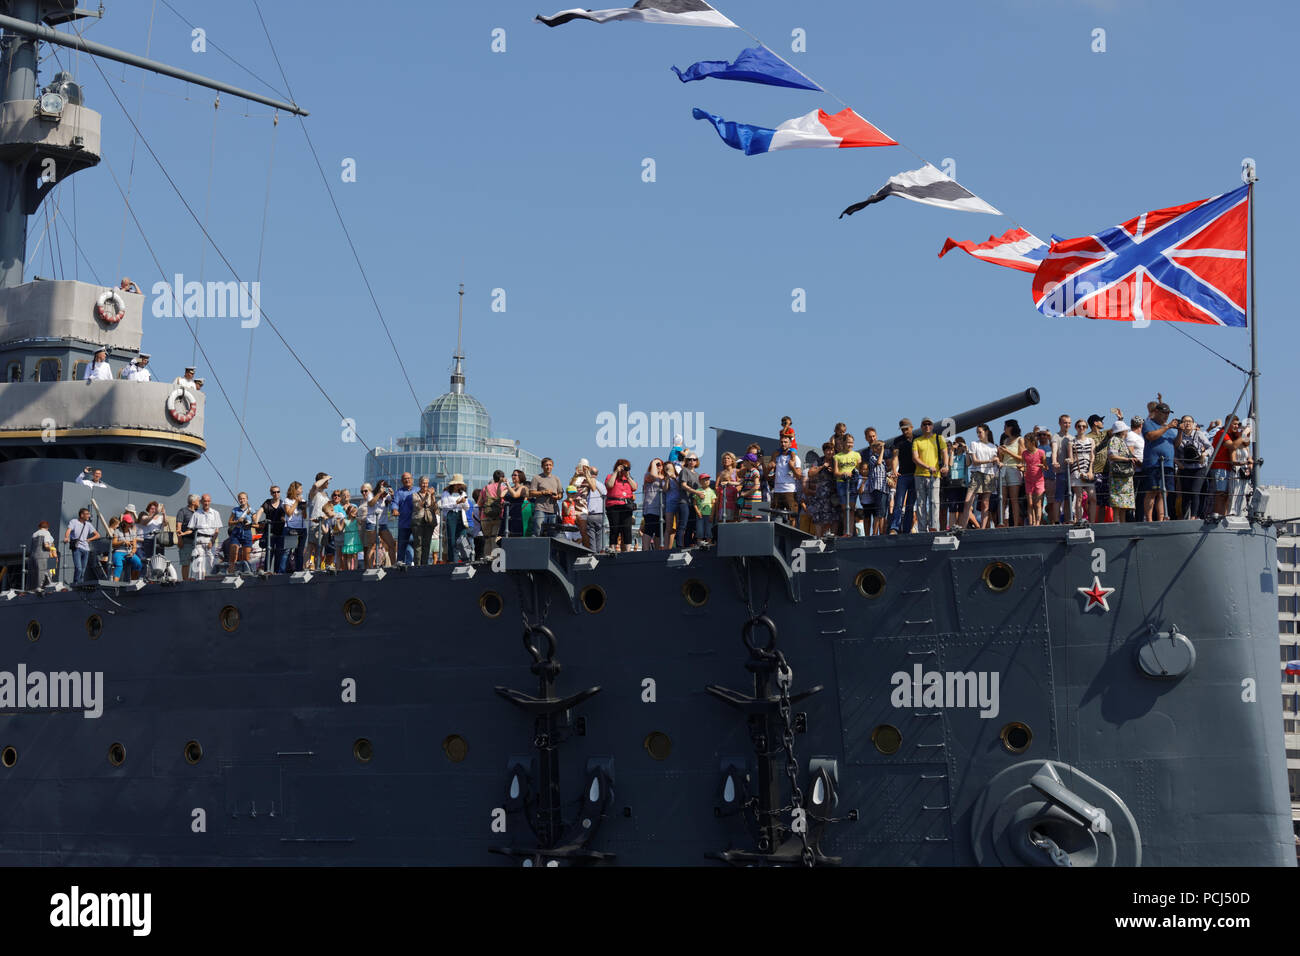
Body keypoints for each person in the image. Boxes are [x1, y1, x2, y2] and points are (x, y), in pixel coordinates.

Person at [912, 418, 949, 533]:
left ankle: (934, 527)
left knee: (934, 502)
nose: (927, 426)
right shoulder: (917, 441)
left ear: (932, 426)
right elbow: (915, 458)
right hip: (920, 475)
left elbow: (945, 453)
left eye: (929, 424)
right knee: (921, 503)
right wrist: (928, 467)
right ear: (921, 427)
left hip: (935, 475)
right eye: (924, 424)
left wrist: (946, 465)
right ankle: (922, 529)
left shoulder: (939, 438)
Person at [1141, 401, 1177, 522]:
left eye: (1167, 413)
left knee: (1164, 493)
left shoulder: (1170, 430)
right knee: (1152, 492)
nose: (1166, 415)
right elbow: (1150, 436)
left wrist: (1180, 431)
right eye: (1164, 413)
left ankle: (1162, 518)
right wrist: (1167, 427)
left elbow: (1176, 444)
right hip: (1153, 464)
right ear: (1156, 412)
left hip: (1168, 465)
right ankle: (1149, 519)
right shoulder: (1148, 423)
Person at [960, 424, 999, 529]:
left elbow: (996, 460)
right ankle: (962, 528)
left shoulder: (993, 446)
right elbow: (975, 462)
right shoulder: (974, 444)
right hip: (976, 474)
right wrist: (991, 461)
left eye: (980, 432)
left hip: (990, 474)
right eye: (977, 432)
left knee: (985, 504)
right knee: (967, 502)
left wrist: (998, 462)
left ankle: (982, 528)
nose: (978, 434)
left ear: (986, 432)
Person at [804, 442, 840, 537]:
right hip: (820, 495)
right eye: (827, 450)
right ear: (824, 451)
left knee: (834, 517)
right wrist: (822, 467)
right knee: (819, 518)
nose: (830, 452)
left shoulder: (836, 460)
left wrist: (834, 471)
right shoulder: (819, 461)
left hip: (834, 495)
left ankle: (833, 539)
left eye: (832, 450)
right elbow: (810, 473)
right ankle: (819, 538)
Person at [889, 419, 918, 535]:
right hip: (903, 475)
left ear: (911, 427)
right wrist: (894, 470)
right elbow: (895, 456)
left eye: (906, 428)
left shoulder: (918, 439)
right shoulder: (898, 441)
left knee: (911, 504)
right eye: (903, 429)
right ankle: (894, 528)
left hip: (916, 475)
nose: (905, 431)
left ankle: (906, 529)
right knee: (898, 503)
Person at [1106, 419, 1138, 520]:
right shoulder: (1114, 440)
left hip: (1124, 476)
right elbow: (1112, 456)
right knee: (1118, 502)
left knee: (1124, 504)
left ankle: (1122, 524)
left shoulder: (1121, 441)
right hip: (1118, 475)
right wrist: (1127, 459)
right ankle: (1117, 524)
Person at [187, 494, 222, 579]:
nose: (206, 503)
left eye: (208, 501)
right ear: (201, 502)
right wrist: (181, 534)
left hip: (210, 540)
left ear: (210, 501)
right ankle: (198, 581)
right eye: (205, 501)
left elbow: (217, 531)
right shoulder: (196, 514)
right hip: (199, 540)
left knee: (212, 561)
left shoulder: (215, 513)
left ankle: (213, 580)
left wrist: (212, 541)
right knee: (199, 562)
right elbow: (190, 528)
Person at [605, 460, 636, 552]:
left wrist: (628, 476)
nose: (624, 469)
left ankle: (628, 550)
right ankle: (612, 549)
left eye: (627, 467)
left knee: (627, 529)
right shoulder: (610, 476)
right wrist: (616, 472)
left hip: (626, 506)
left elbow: (634, 487)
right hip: (613, 506)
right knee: (614, 528)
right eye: (623, 467)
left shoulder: (628, 478)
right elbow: (609, 485)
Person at [998, 421, 1025, 527]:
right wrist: (1000, 453)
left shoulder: (1020, 440)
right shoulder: (1005, 440)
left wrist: (1008, 452)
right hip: (1003, 469)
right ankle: (1002, 523)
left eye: (1005, 426)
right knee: (1002, 499)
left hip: (1014, 469)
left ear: (1010, 427)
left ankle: (1016, 524)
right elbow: (1002, 459)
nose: (1004, 428)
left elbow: (1022, 457)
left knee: (1014, 499)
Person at [575, 462, 606, 552]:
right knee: (599, 537)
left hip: (591, 514)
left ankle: (593, 555)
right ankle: (599, 554)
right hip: (601, 514)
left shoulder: (588, 483)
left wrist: (582, 474)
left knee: (591, 538)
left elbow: (576, 488)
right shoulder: (602, 485)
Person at [1068, 418, 1095, 523]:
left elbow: (1092, 456)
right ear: (1076, 427)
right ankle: (1079, 521)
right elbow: (1070, 456)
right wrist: (1069, 461)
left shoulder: (1090, 440)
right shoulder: (1072, 441)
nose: (1081, 428)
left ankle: (1092, 522)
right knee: (1078, 498)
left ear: (1086, 428)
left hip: (1088, 469)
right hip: (1076, 471)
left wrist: (1091, 470)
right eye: (1079, 426)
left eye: (1083, 426)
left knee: (1092, 498)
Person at [64, 507, 99, 584]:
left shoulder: (88, 524)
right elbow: (68, 530)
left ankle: (80, 584)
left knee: (83, 570)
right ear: (82, 515)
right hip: (77, 547)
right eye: (87, 514)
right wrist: (66, 537)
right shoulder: (74, 522)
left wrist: (89, 539)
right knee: (79, 568)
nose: (89, 516)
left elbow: (97, 535)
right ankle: (76, 583)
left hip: (86, 549)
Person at [440, 475, 471, 562]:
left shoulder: (463, 493)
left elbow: (467, 507)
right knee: (452, 539)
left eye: (460, 484)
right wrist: (456, 503)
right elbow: (444, 506)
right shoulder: (446, 493)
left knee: (463, 536)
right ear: (453, 484)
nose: (459, 486)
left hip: (461, 515)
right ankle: (453, 559)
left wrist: (463, 503)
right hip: (451, 515)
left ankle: (466, 558)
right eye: (457, 484)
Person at [529, 458, 562, 537]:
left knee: (552, 533)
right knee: (537, 531)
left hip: (553, 510)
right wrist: (543, 492)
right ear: (542, 466)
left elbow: (560, 494)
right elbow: (531, 493)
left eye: (550, 465)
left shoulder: (556, 479)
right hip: (540, 508)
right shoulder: (537, 478)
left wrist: (557, 497)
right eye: (546, 465)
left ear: (552, 466)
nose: (548, 467)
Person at [410, 476, 438, 565]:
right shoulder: (414, 494)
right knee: (418, 544)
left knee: (427, 544)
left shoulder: (430, 495)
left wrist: (432, 496)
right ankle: (417, 564)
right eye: (423, 483)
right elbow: (418, 506)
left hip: (428, 521)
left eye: (426, 483)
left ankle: (424, 564)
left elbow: (435, 508)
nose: (425, 485)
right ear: (419, 484)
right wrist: (426, 497)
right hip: (418, 521)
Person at [943, 436, 968, 532]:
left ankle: (961, 527)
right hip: (953, 484)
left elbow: (969, 463)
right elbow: (950, 464)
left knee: (961, 508)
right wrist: (952, 451)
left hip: (963, 484)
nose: (959, 446)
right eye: (957, 444)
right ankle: (952, 527)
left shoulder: (965, 457)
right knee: (952, 507)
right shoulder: (952, 456)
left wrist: (966, 450)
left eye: (960, 444)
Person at [307, 472, 332, 569]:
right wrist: (326, 478)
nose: (328, 482)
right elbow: (315, 485)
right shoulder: (314, 492)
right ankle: (306, 567)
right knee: (311, 547)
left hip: (323, 524)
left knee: (320, 548)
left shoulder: (325, 494)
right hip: (314, 523)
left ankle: (318, 568)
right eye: (326, 481)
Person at [392, 472, 416, 566]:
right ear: (402, 481)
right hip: (404, 523)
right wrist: (394, 509)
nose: (407, 480)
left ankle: (412, 563)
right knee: (402, 545)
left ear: (412, 480)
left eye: (409, 478)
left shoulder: (417, 490)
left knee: (414, 545)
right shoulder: (399, 492)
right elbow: (395, 502)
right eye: (405, 479)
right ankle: (400, 563)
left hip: (416, 524)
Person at [642, 458, 666, 548]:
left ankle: (657, 551)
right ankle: (645, 551)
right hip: (651, 507)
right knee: (649, 529)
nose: (658, 466)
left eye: (660, 464)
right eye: (656, 465)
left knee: (659, 532)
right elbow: (653, 476)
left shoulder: (664, 477)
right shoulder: (648, 474)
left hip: (662, 508)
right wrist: (654, 462)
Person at [687, 473, 716, 544]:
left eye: (708, 479)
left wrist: (712, 515)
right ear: (700, 481)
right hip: (700, 515)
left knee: (709, 530)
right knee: (700, 530)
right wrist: (697, 512)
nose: (707, 481)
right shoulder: (698, 491)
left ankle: (709, 543)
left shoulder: (712, 491)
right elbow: (694, 503)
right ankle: (699, 544)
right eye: (704, 480)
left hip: (709, 514)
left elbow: (713, 504)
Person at [227, 492, 255, 567]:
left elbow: (256, 524)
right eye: (240, 498)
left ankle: (245, 574)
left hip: (247, 532)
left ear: (247, 499)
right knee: (233, 554)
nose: (242, 500)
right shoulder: (235, 510)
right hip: (236, 532)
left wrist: (249, 523)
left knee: (246, 557)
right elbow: (229, 523)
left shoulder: (252, 511)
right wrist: (237, 521)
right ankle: (231, 571)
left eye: (243, 498)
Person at [175, 493, 198, 580]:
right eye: (198, 501)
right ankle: (185, 580)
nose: (199, 503)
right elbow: (178, 527)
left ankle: (194, 578)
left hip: (196, 541)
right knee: (186, 562)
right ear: (193, 502)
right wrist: (179, 539)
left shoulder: (198, 512)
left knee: (196, 562)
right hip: (186, 540)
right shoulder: (183, 511)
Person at [481, 470, 506, 549]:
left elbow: (479, 503)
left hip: (485, 516)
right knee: (495, 539)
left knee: (487, 540)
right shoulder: (504, 488)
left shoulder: (485, 488)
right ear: (502, 478)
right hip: (498, 515)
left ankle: (487, 559)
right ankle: (495, 559)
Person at [29, 520, 56, 588]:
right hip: (44, 555)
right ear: (47, 527)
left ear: (39, 527)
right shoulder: (46, 533)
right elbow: (46, 545)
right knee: (46, 573)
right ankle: (44, 587)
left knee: (36, 573)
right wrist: (53, 549)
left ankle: (35, 587)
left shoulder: (34, 534)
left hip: (34, 556)